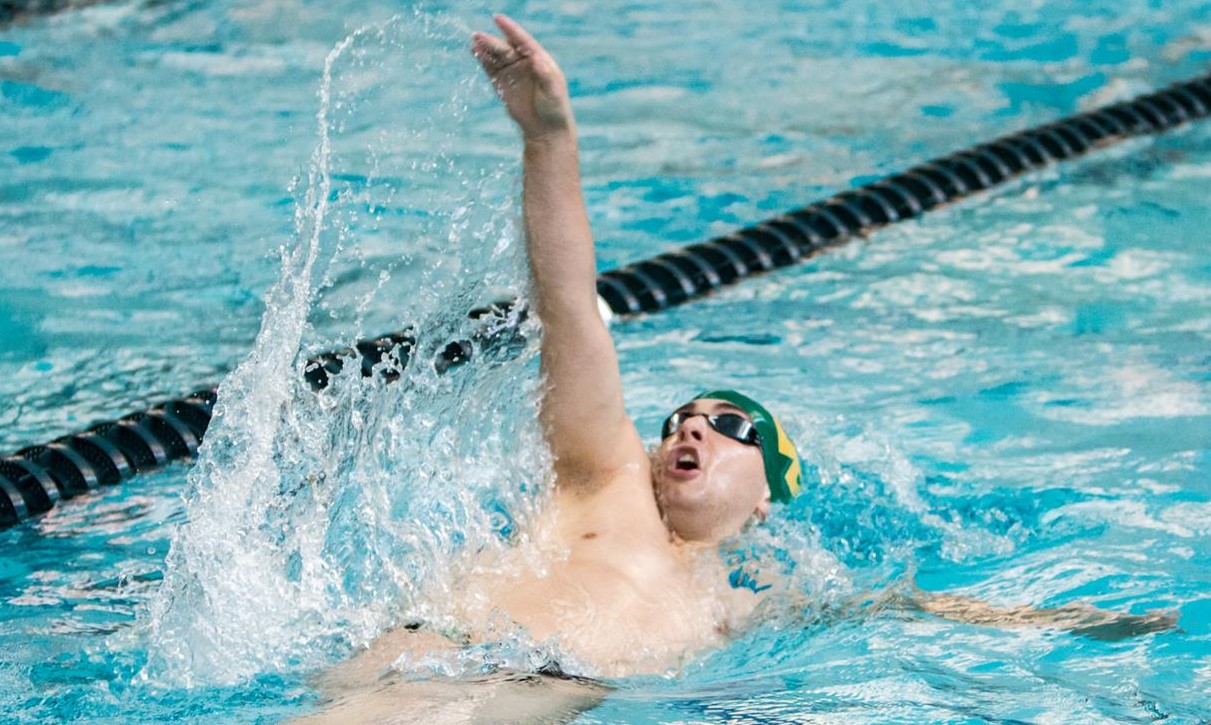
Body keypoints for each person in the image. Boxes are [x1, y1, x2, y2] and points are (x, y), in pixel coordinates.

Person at [302, 14, 1175, 721]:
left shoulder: (740, 610)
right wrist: (548, 137)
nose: (691, 426)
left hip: (538, 693)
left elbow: (911, 615)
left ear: (767, 494)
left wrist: (1084, 623)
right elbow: (569, 300)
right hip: (437, 661)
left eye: (729, 425)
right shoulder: (604, 481)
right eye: (682, 417)